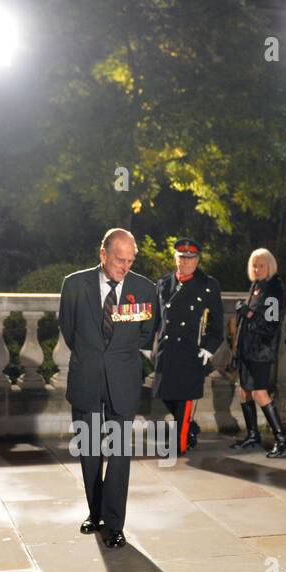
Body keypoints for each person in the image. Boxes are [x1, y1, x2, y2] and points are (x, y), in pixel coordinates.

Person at [57, 228, 161, 549]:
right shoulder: (74, 285)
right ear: (103, 255)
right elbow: (68, 329)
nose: (125, 267)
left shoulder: (145, 289)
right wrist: (94, 356)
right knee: (89, 449)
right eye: (119, 260)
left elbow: (147, 333)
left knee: (118, 454)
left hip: (123, 381)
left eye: (130, 260)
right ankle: (95, 512)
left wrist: (115, 357)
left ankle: (114, 523)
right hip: (86, 377)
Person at [154, 238, 223, 455]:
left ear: (197, 260)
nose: (185, 262)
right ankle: (190, 428)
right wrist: (148, 344)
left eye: (190, 259)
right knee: (164, 393)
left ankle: (179, 444)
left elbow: (217, 323)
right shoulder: (164, 283)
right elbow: (156, 318)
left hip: (191, 350)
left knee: (184, 398)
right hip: (167, 350)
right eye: (181, 258)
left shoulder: (208, 285)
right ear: (175, 258)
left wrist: (209, 347)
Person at [230, 248, 286, 457]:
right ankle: (253, 435)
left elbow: (270, 325)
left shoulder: (274, 289)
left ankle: (281, 439)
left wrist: (248, 312)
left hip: (262, 351)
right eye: (254, 265)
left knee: (259, 392)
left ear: (270, 266)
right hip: (247, 350)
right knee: (244, 391)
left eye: (261, 265)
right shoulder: (257, 286)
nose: (257, 269)